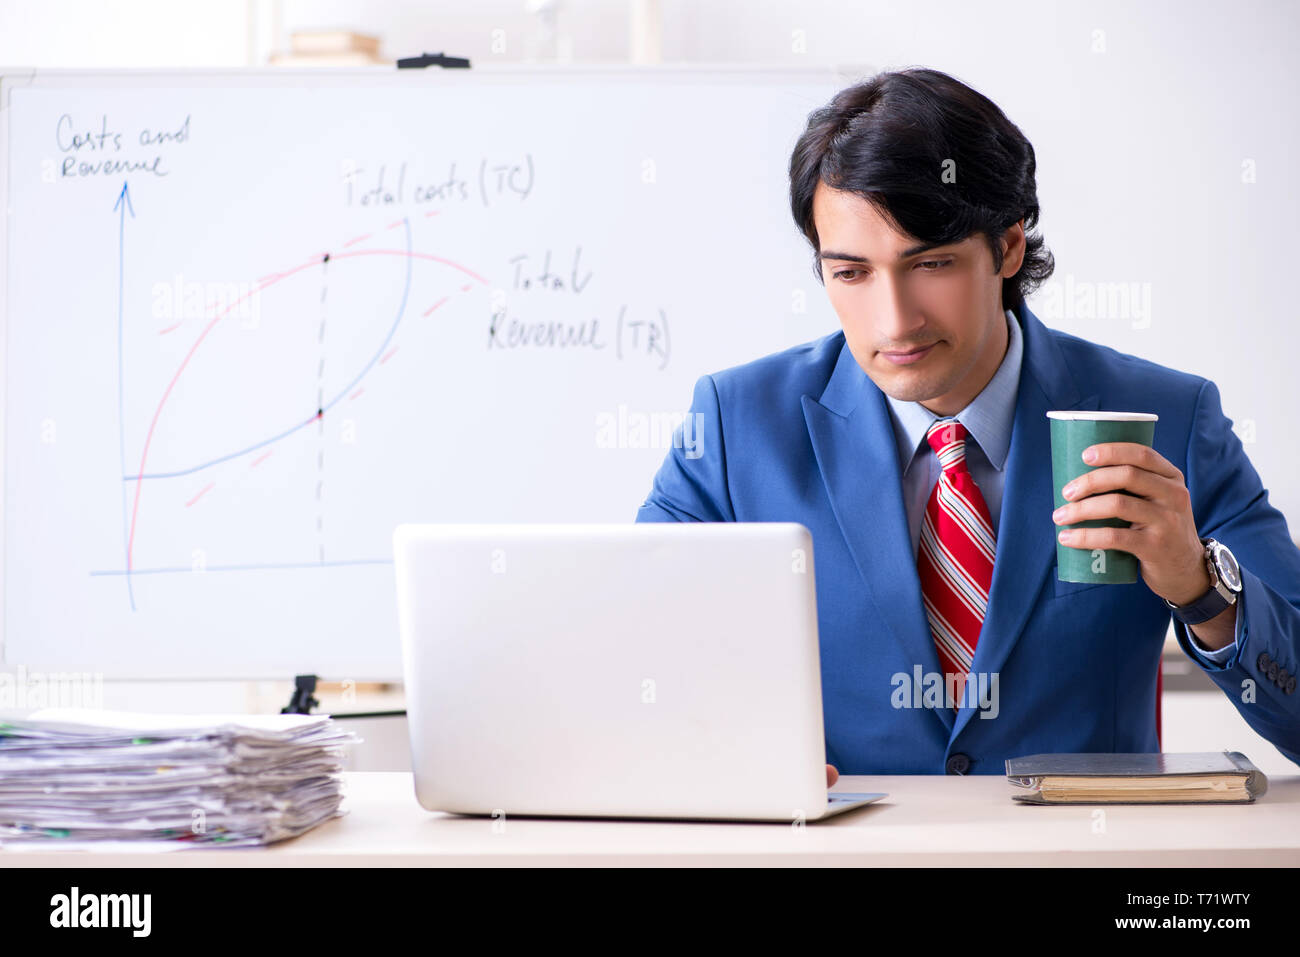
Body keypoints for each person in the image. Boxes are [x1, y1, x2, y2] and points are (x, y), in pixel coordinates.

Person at [636, 68, 1300, 776]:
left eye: (931, 264)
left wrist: (1202, 587)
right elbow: (634, 663)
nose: (894, 321)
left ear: (1008, 247)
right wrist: (728, 753)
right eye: (851, 273)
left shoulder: (1169, 418)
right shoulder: (737, 429)